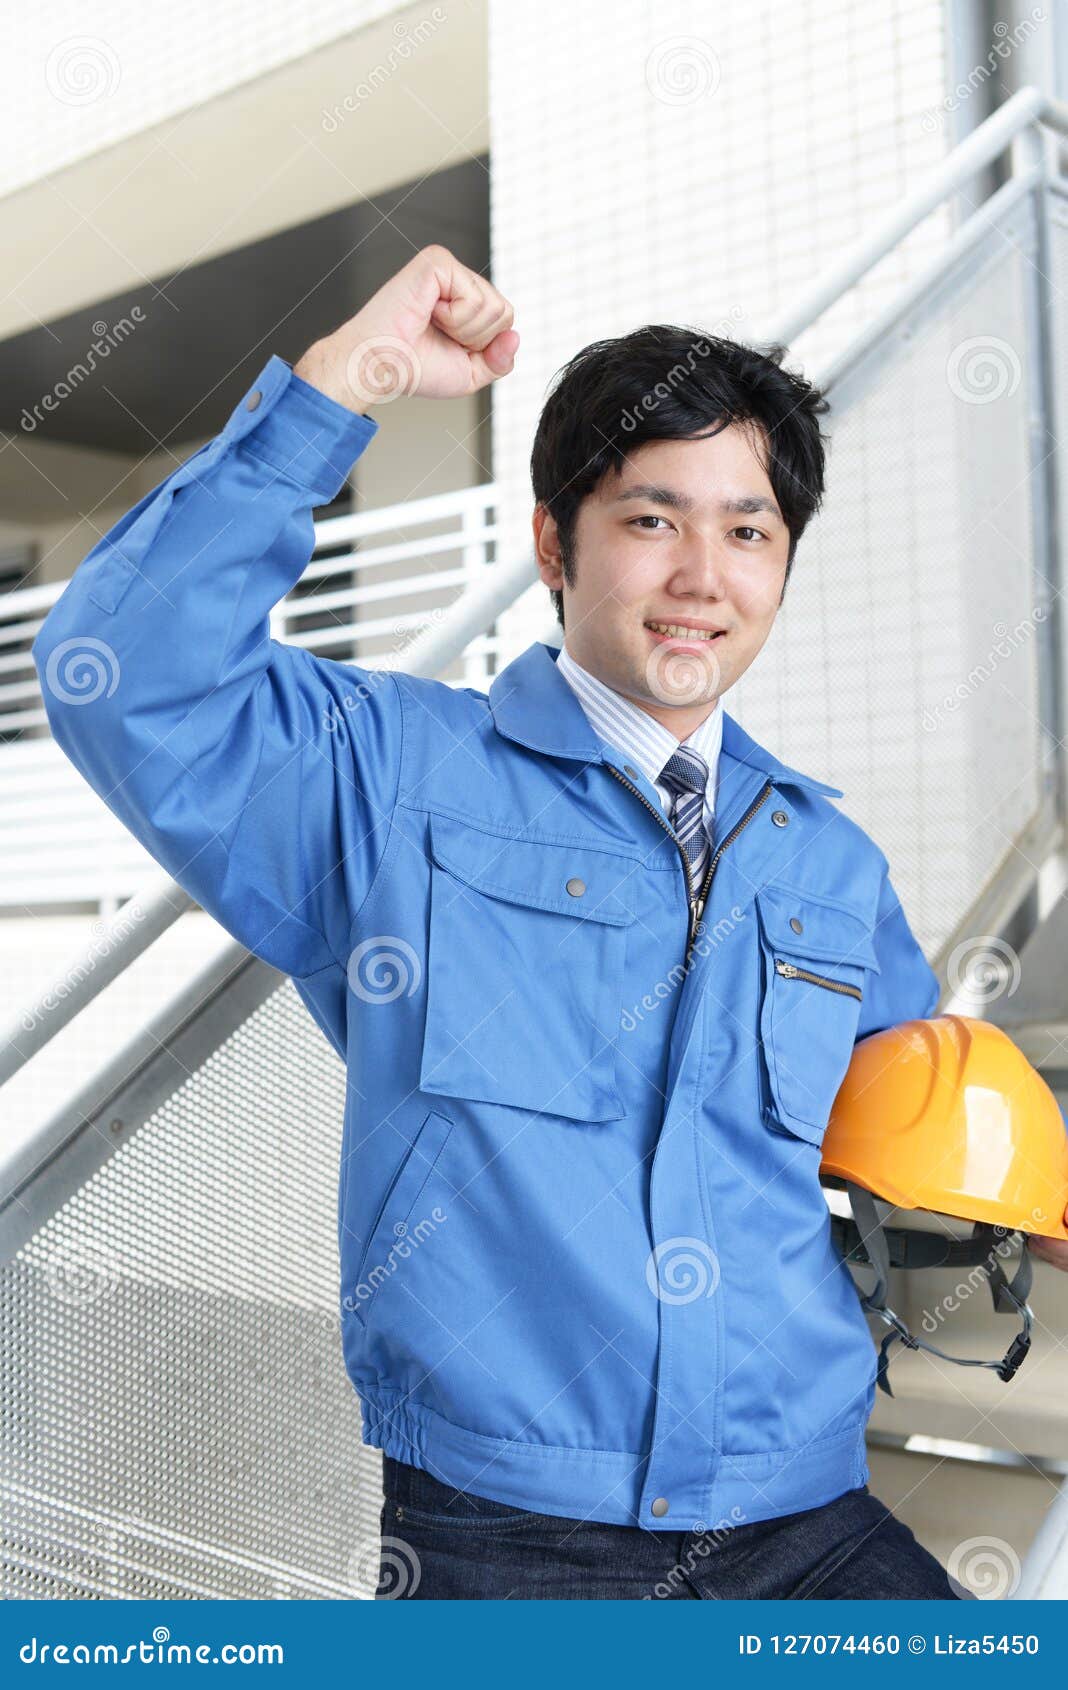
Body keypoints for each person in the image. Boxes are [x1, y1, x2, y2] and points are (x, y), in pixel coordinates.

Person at [32, 247, 1068, 1601]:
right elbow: (127, 676)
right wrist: (349, 379)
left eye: (748, 530)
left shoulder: (829, 860)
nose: (704, 571)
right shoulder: (389, 778)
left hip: (802, 1508)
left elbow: (912, 1129)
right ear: (551, 544)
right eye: (652, 518)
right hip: (509, 1534)